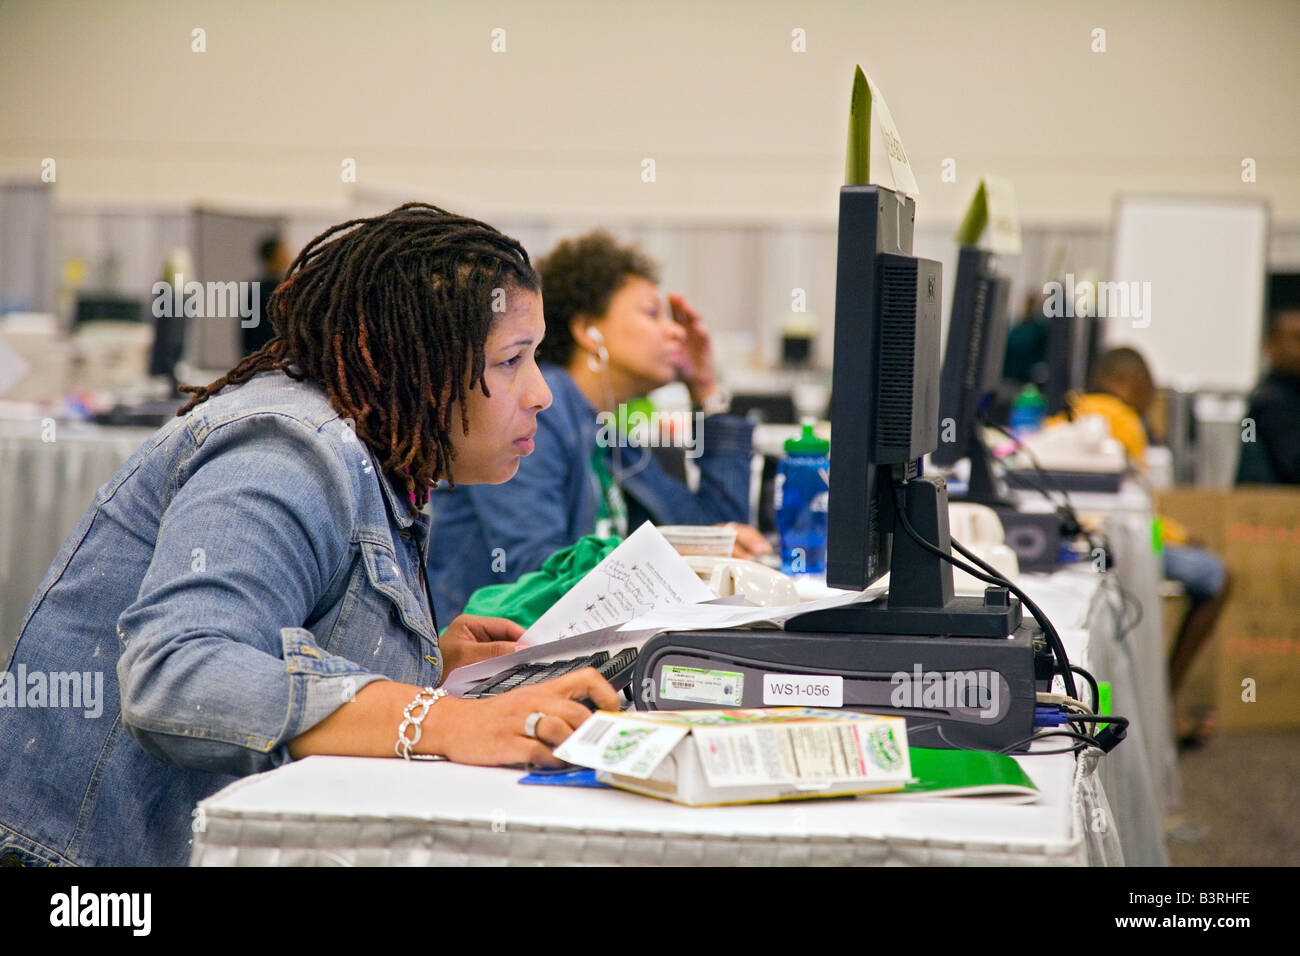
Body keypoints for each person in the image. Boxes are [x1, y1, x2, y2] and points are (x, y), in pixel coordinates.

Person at [0, 203, 620, 868]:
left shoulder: (381, 458)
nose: (540, 394)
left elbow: (280, 649)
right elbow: (177, 673)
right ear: (420, 362)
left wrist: (423, 668)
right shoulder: (291, 449)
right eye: (511, 361)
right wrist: (445, 719)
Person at [428, 230, 766, 622]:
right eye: (652, 314)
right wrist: (679, 555)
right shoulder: (538, 412)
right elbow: (538, 568)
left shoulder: (608, 433)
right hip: (492, 660)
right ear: (589, 330)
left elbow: (720, 536)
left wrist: (707, 392)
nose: (675, 332)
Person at [1050, 346, 1231, 744]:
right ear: (1133, 385)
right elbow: (1136, 518)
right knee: (1218, 575)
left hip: (1081, 537)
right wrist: (1183, 537)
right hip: (1119, 546)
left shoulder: (1066, 413)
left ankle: (1162, 707)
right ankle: (1161, 704)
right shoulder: (1126, 422)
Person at [1237, 275, 1300, 485]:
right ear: (1270, 346)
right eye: (1295, 338)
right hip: (1270, 509)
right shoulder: (1273, 401)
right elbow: (1294, 462)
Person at [240, 233, 292, 357]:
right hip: (266, 354)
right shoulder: (261, 289)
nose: (289, 255)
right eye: (284, 252)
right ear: (274, 257)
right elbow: (248, 329)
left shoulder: (284, 286)